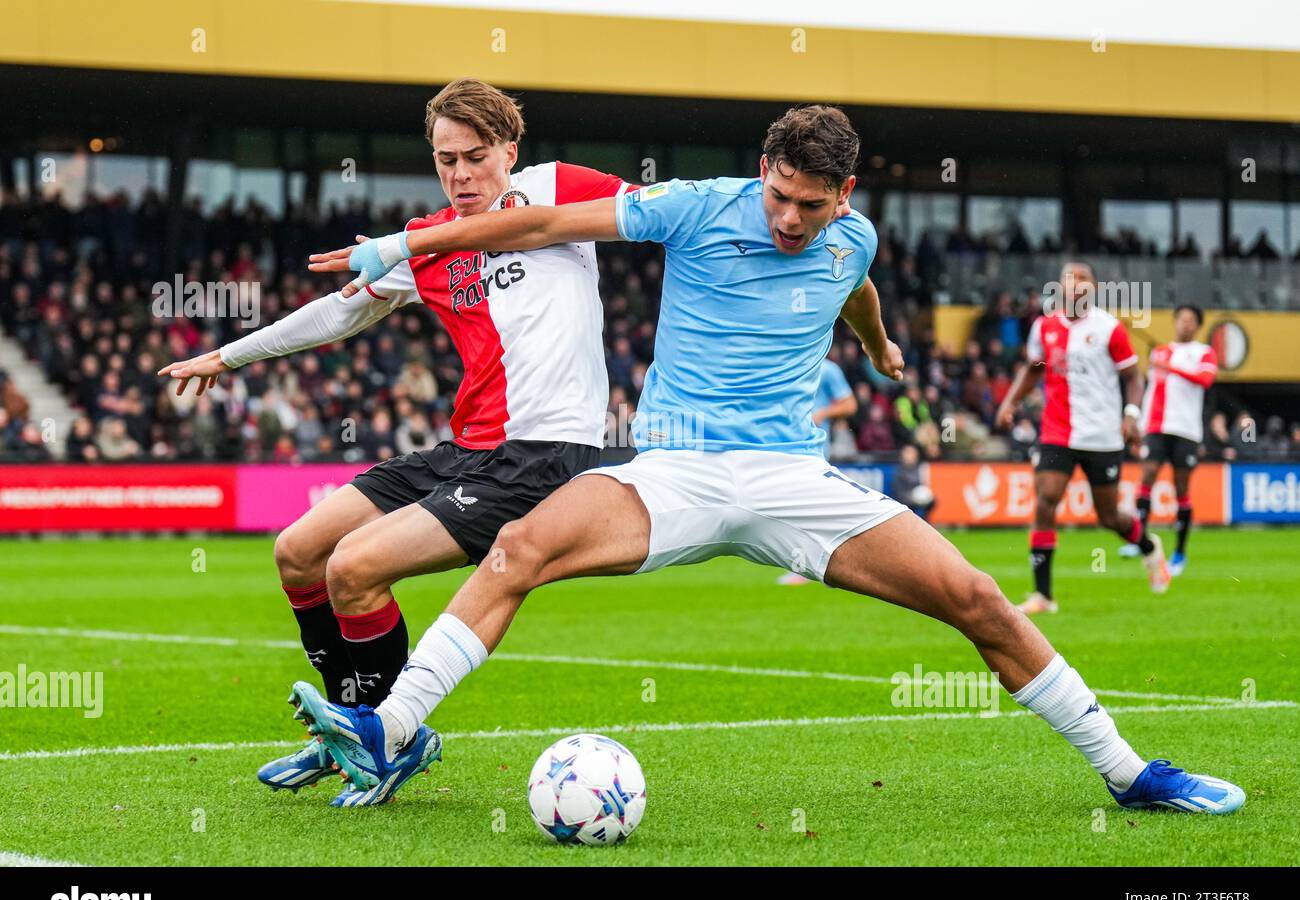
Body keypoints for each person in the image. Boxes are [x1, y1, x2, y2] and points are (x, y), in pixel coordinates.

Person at [297, 106, 1244, 817]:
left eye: (811, 205)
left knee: (978, 601)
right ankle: (390, 726)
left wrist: (878, 347)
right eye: (779, 196)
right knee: (518, 552)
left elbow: (859, 286)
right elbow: (535, 227)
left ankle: (1128, 772)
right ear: (762, 172)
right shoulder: (695, 207)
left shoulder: (851, 238)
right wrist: (399, 242)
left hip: (794, 480)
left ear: (845, 198)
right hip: (673, 469)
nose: (790, 220)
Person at [158, 79, 633, 806]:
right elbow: (335, 316)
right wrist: (227, 357)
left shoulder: (557, 189)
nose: (461, 175)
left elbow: (663, 211)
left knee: (355, 567)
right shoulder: (429, 242)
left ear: (511, 150)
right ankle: (350, 726)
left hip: (543, 454)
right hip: (463, 449)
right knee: (298, 550)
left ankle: (388, 739)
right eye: (446, 160)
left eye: (476, 157)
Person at [995, 262, 1169, 615]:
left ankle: (1148, 545)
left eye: (1083, 279)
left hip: (1102, 435)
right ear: (1060, 286)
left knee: (1108, 517)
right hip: (1057, 431)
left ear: (1094, 288)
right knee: (1046, 500)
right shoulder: (1044, 326)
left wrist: (1132, 415)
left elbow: (1134, 378)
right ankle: (1043, 596)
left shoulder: (1110, 330)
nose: (1076, 285)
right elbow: (1033, 370)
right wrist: (1010, 402)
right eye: (1070, 278)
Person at [1125, 305, 1216, 574]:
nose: (1184, 324)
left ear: (1197, 325)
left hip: (1185, 429)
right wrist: (1139, 425)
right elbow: (1152, 390)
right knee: (1148, 476)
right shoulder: (1160, 351)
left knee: (1181, 489)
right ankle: (1139, 540)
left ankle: (1179, 552)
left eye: (1190, 320)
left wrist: (1172, 367)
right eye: (1181, 319)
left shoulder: (1203, 352)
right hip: (1155, 427)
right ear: (1175, 322)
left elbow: (1206, 379)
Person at [777, 354, 857, 584]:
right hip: (786, 446)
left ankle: (809, 567)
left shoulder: (828, 369)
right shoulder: (787, 362)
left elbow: (850, 404)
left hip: (815, 449)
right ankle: (814, 566)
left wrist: (823, 413)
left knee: (807, 509)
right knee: (795, 508)